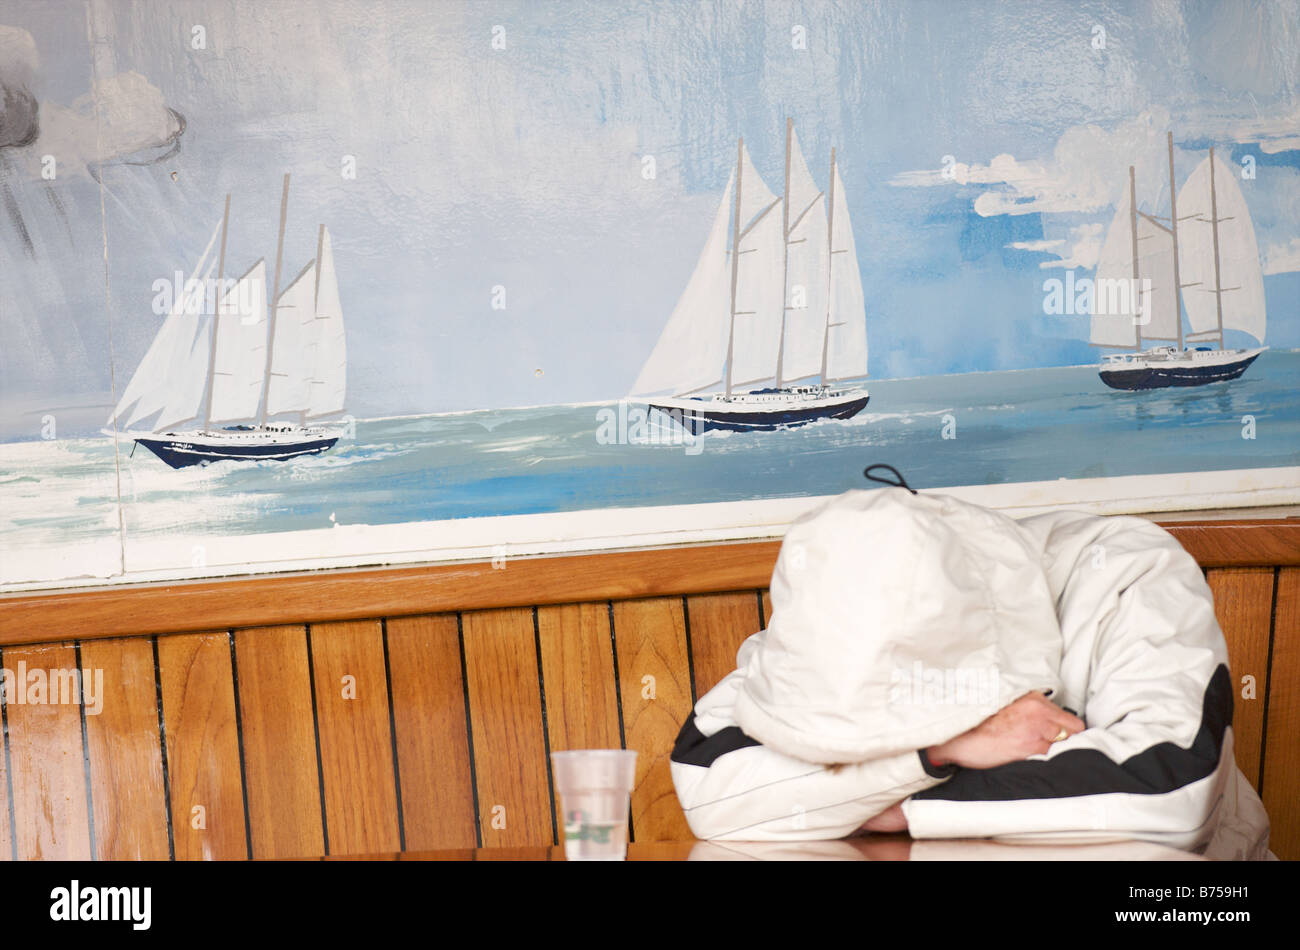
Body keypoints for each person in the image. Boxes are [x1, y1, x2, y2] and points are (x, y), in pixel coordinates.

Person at [669, 480, 1273, 860]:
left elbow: (1171, 792)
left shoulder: (1130, 573)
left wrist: (888, 807)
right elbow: (708, 783)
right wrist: (939, 754)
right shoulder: (840, 598)